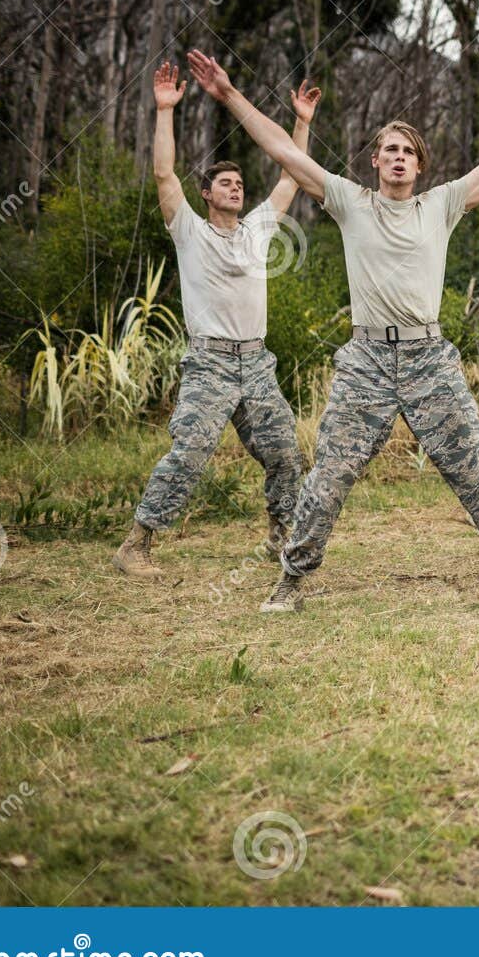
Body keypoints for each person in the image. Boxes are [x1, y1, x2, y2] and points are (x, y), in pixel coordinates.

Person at [184, 49, 479, 610]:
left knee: (473, 468)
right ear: (375, 161)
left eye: (409, 152)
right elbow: (283, 150)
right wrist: (228, 94)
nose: (399, 158)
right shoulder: (351, 202)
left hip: (428, 358)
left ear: (420, 166)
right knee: (329, 473)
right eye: (390, 150)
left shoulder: (442, 204)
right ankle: (292, 579)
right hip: (366, 361)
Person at [113, 62, 316, 577]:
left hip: (258, 363)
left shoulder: (258, 229)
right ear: (206, 193)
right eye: (225, 183)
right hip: (210, 363)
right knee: (191, 451)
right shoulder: (189, 230)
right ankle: (135, 546)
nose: (235, 188)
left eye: (240, 183)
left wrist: (301, 121)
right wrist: (165, 110)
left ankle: (280, 537)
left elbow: (292, 173)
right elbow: (164, 174)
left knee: (285, 453)